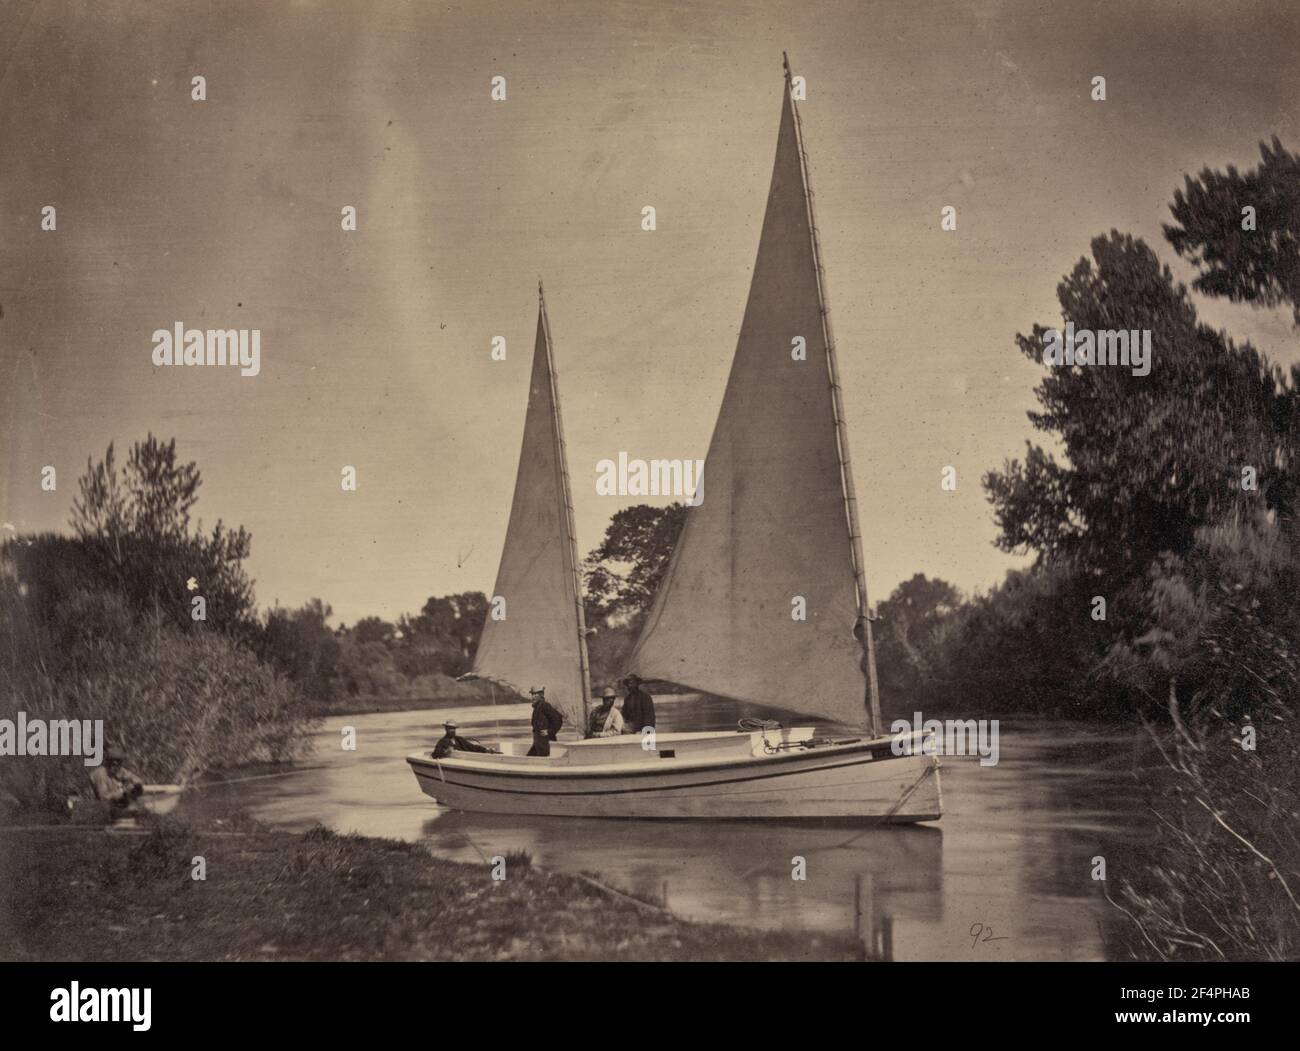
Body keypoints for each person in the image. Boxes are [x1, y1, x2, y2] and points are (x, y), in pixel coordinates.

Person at [89, 746, 144, 813]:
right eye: (112, 761)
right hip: (99, 809)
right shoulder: (100, 774)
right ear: (107, 761)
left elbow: (138, 781)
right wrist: (123, 791)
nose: (115, 763)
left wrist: (131, 784)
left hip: (116, 807)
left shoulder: (120, 771)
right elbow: (103, 798)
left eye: (118, 761)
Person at [527, 685, 564, 757]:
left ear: (541, 695)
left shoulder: (544, 705)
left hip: (546, 743)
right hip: (538, 743)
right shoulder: (537, 707)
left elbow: (558, 719)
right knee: (529, 758)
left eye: (535, 694)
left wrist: (549, 731)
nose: (532, 697)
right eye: (532, 694)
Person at [432, 721, 496, 759]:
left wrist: (486, 750)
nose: (452, 730)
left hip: (466, 760)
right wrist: (446, 752)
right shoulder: (442, 741)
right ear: (446, 729)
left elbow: (472, 747)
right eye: (450, 728)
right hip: (454, 763)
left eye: (454, 729)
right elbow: (434, 754)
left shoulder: (459, 739)